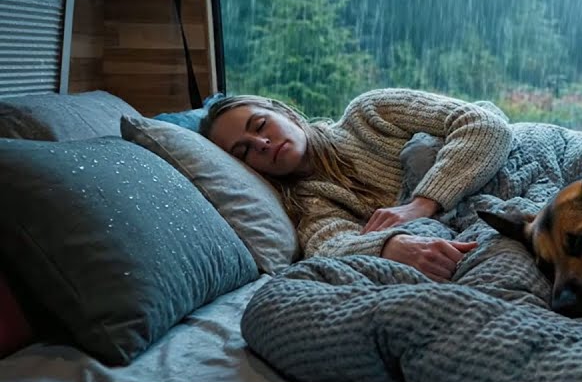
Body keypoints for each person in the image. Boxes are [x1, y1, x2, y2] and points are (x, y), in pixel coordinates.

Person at [200, 88, 514, 283]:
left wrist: (422, 204)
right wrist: (389, 246)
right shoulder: (309, 205)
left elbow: (484, 124)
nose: (261, 143)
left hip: (507, 164)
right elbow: (329, 247)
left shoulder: (368, 113)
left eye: (260, 125)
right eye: (244, 151)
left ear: (285, 113)